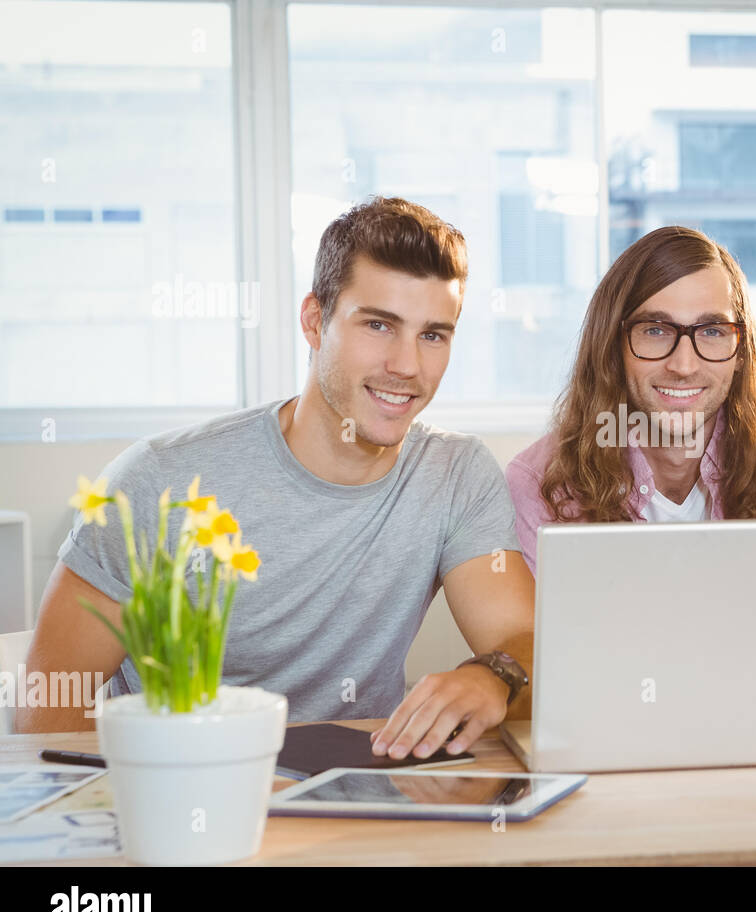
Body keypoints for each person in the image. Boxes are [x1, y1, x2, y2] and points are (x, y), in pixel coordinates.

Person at [20, 196, 533, 764]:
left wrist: (493, 676)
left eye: (433, 335)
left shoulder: (456, 474)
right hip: (190, 800)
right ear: (315, 321)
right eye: (379, 325)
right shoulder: (157, 481)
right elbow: (46, 717)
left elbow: (523, 643)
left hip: (365, 801)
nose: (407, 366)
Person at [506, 225, 756, 570]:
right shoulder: (537, 483)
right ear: (612, 349)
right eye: (656, 330)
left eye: (711, 331)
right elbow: (539, 631)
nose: (684, 365)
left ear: (741, 352)